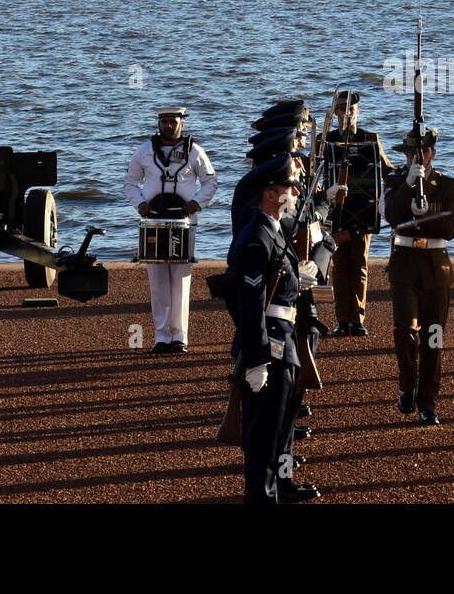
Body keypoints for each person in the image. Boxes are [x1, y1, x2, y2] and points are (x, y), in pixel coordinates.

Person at [227, 154, 320, 504]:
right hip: (269, 346)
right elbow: (249, 304)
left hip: (286, 338)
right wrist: (256, 359)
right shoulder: (256, 237)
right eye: (289, 187)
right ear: (270, 192)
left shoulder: (274, 229)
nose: (295, 192)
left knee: (280, 428)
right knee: (262, 435)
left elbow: (278, 283)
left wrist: (300, 280)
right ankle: (261, 497)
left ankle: (277, 487)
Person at [123, 107, 218, 354]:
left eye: (173, 122)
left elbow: (210, 181)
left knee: (181, 280)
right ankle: (161, 336)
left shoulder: (195, 151)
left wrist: (197, 203)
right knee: (157, 282)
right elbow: (130, 182)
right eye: (164, 121)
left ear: (182, 124)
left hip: (183, 223)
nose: (168, 126)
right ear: (159, 123)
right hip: (153, 221)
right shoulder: (144, 151)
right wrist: (140, 204)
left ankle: (180, 337)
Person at [383, 127, 454, 425]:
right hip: (404, 264)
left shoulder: (449, 185)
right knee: (405, 330)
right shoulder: (394, 180)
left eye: (424, 152)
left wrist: (421, 216)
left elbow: (450, 229)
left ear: (433, 153)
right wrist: (408, 185)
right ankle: (407, 386)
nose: (418, 157)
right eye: (413, 152)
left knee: (434, 336)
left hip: (435, 265)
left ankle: (428, 399)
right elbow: (391, 216)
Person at [323, 91, 392, 337]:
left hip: (364, 211)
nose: (346, 115)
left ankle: (358, 318)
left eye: (350, 111)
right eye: (342, 111)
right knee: (340, 266)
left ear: (357, 112)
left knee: (360, 265)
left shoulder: (370, 138)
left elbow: (386, 169)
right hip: (337, 212)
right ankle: (342, 319)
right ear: (336, 114)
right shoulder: (327, 140)